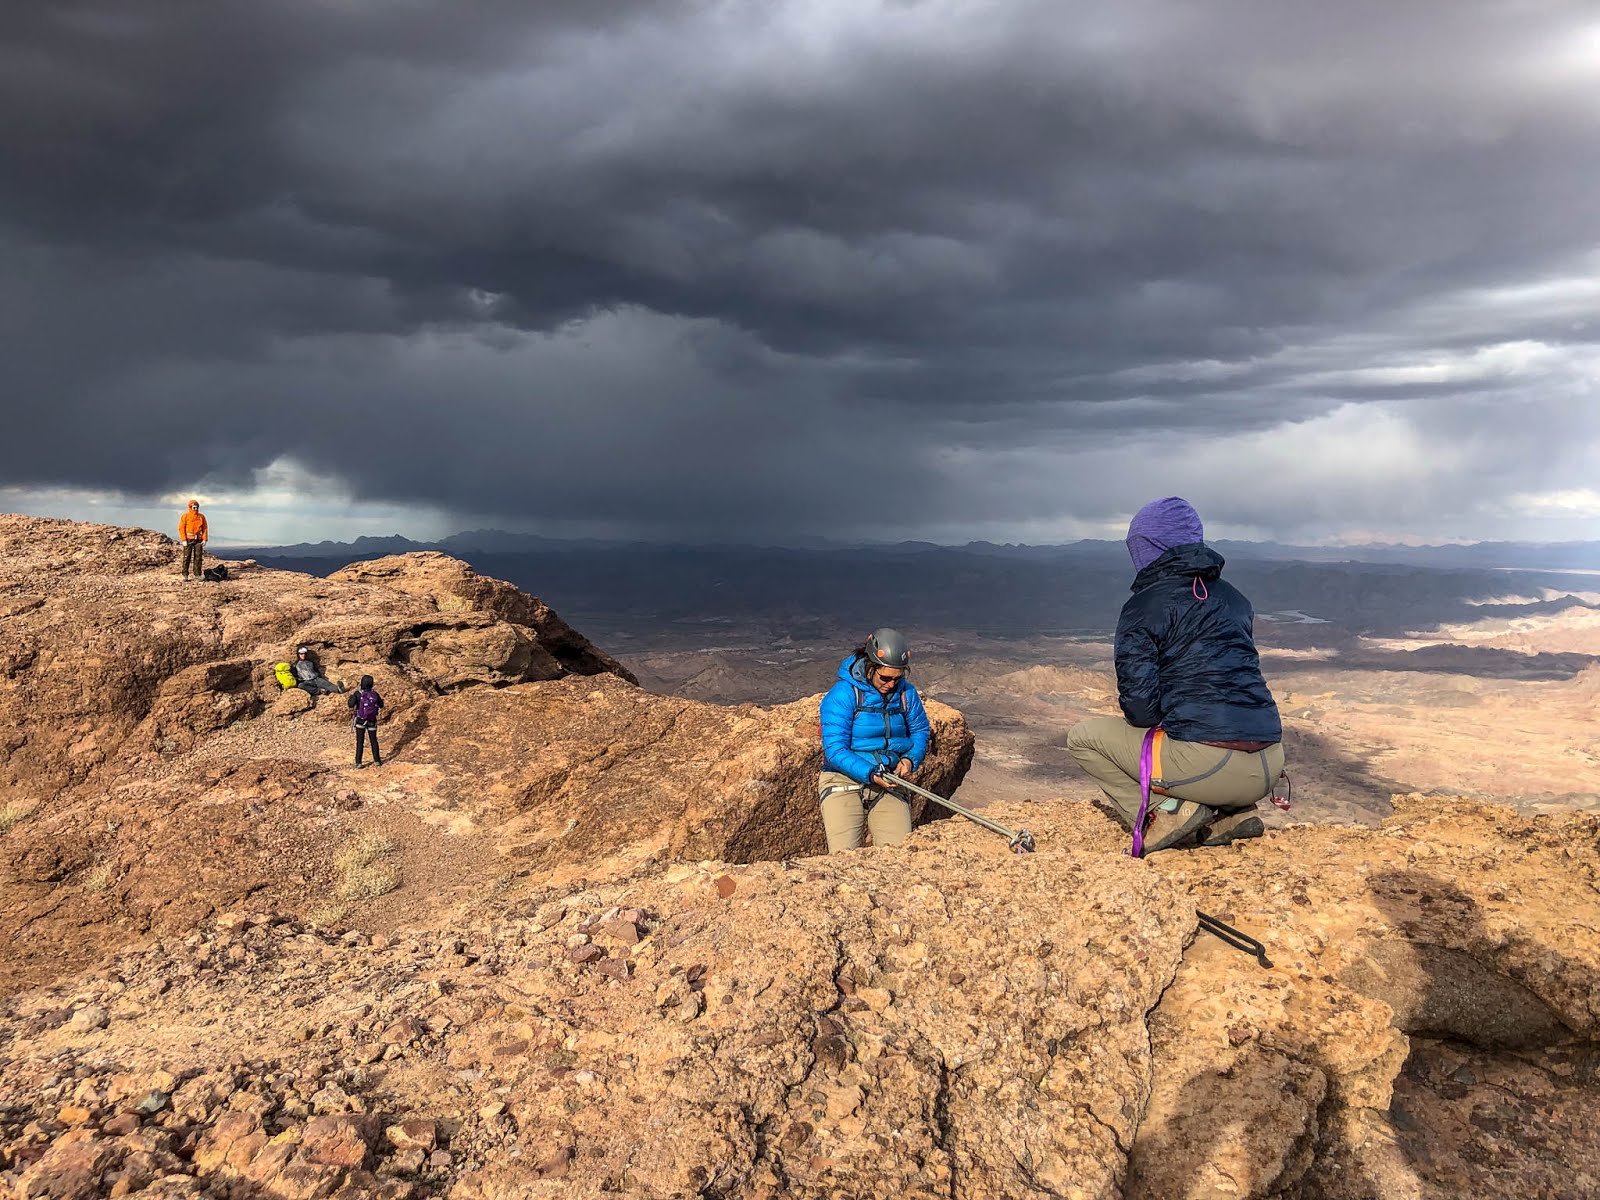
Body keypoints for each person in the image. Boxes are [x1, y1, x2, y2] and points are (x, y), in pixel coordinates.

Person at [1067, 497, 1284, 853]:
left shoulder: (1144, 606)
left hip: (1208, 769)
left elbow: (1140, 710)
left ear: (1147, 547)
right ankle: (1229, 815)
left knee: (1083, 738)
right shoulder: (1236, 599)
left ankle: (1161, 815)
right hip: (1269, 766)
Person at [818, 627, 932, 852]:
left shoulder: (906, 694)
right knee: (844, 859)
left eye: (897, 678)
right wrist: (870, 773)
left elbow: (920, 731)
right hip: (843, 781)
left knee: (899, 855)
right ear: (870, 666)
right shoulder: (843, 695)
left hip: (889, 780)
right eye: (885, 678)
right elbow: (835, 750)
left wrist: (910, 759)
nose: (891, 684)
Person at [348, 675, 384, 767]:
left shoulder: (358, 694)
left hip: (361, 720)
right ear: (372, 684)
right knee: (374, 741)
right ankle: (377, 761)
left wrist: (352, 697)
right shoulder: (375, 694)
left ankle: (358, 763)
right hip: (372, 720)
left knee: (360, 742)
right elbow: (381, 705)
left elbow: (350, 705)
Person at [178, 500, 208, 581]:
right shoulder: (185, 516)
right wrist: (183, 539)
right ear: (190, 507)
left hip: (198, 540)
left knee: (198, 557)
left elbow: (205, 528)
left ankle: (197, 574)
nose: (195, 509)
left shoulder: (201, 517)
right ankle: (185, 575)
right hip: (188, 540)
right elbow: (181, 528)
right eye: (193, 507)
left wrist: (205, 539)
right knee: (186, 557)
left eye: (197, 507)